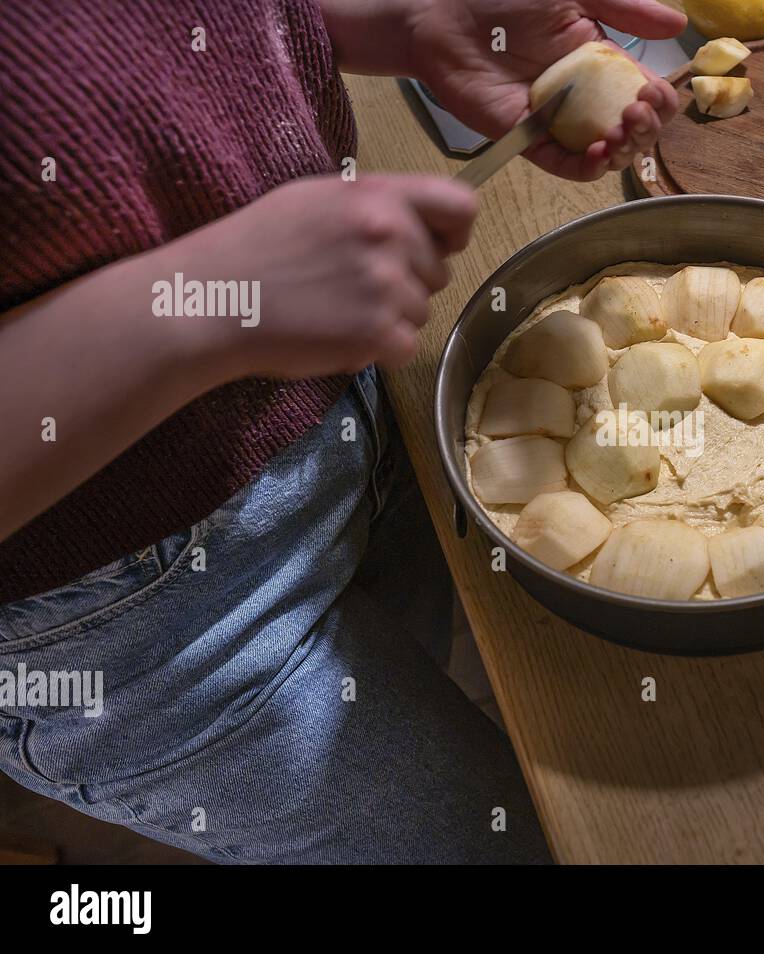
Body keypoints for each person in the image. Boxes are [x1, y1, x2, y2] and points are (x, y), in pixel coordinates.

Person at [0, 0, 684, 863]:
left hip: (346, 413)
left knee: (423, 654)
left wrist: (392, 21)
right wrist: (203, 305)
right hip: (140, 630)